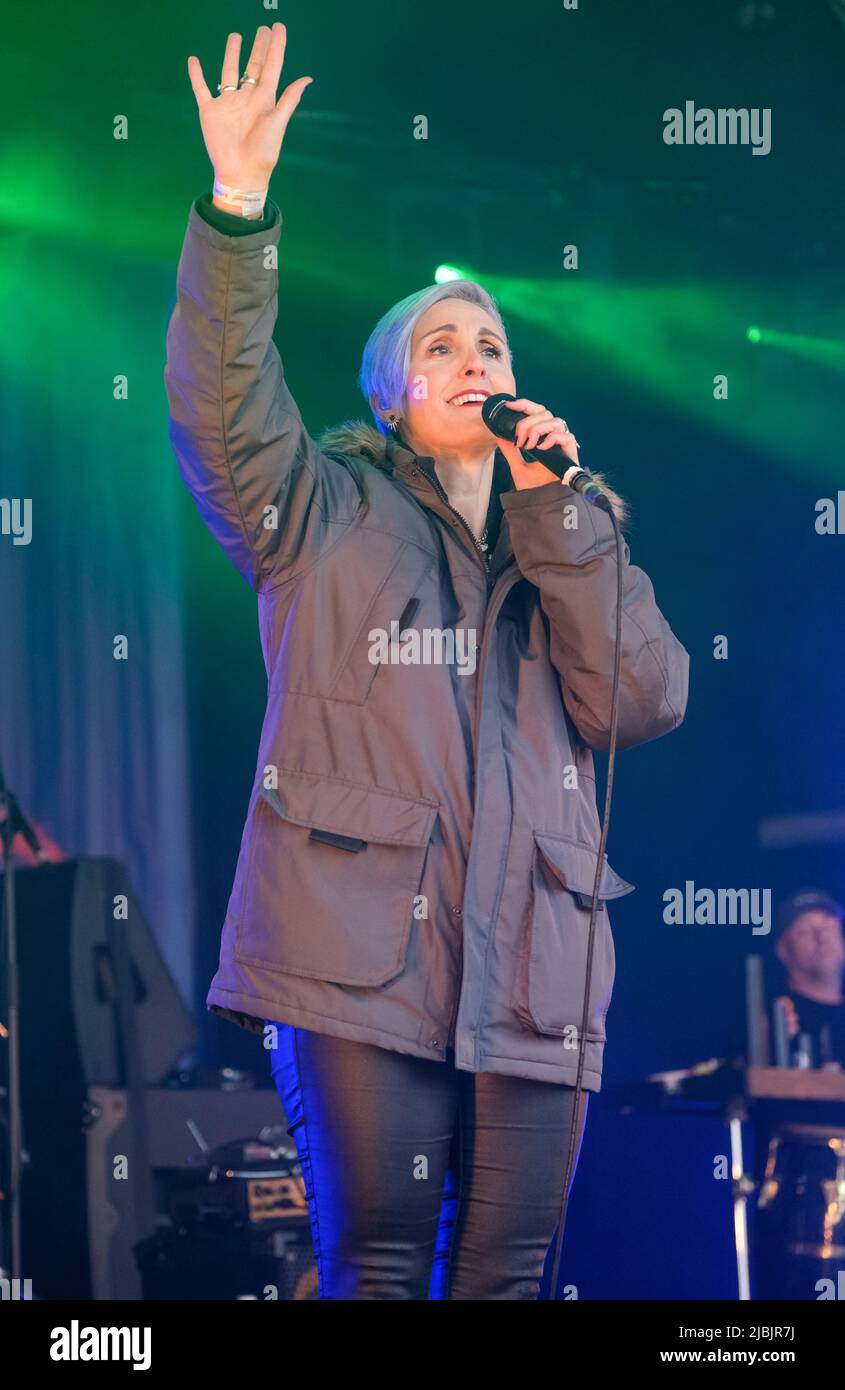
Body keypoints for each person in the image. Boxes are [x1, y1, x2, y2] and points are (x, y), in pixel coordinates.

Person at [165, 22, 689, 1298]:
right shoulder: (322, 507)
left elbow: (639, 699)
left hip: (534, 956)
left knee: (506, 1277)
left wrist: (561, 514)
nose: (474, 361)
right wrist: (239, 208)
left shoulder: (563, 533)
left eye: (492, 347)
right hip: (353, 950)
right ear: (391, 390)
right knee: (382, 1266)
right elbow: (223, 409)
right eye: (441, 347)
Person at [772, 889, 845, 1068]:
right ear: (783, 949)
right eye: (806, 931)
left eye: (828, 928)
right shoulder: (775, 1022)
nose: (821, 938)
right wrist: (767, 1042)